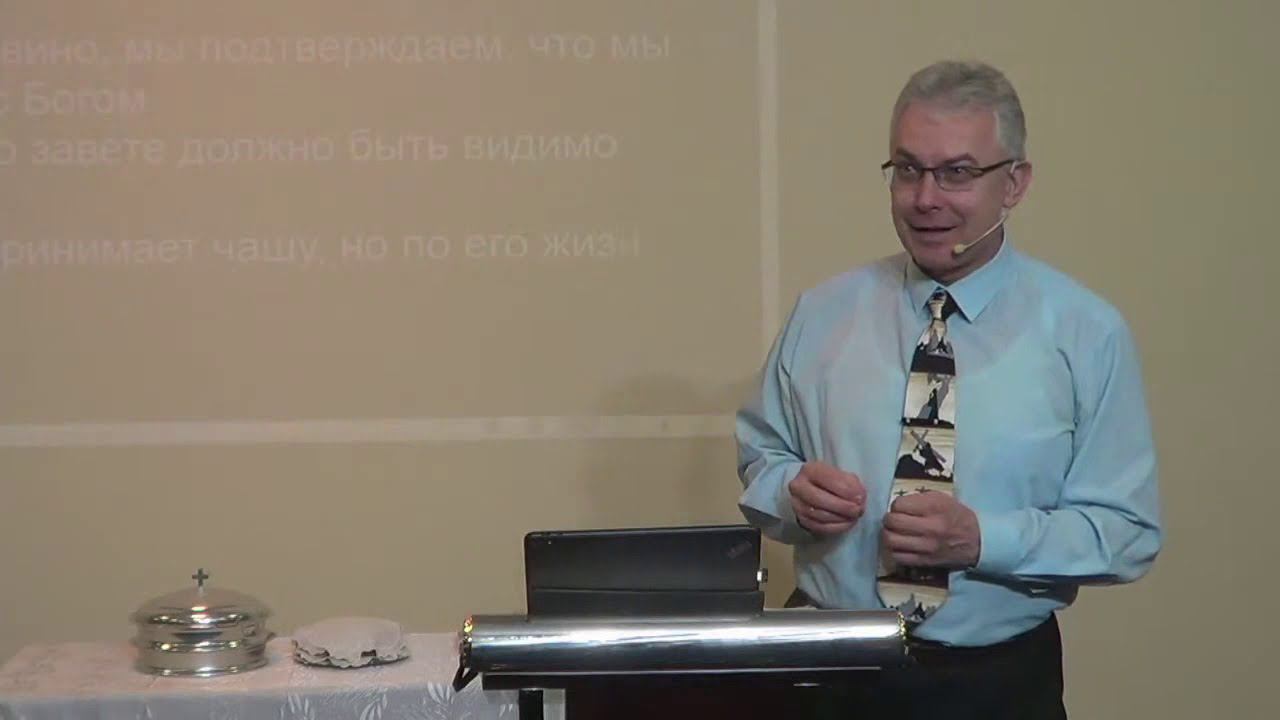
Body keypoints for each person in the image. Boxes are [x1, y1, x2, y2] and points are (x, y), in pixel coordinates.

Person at [735, 60, 1162, 718]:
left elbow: (1125, 531)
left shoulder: (1085, 333)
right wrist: (791, 494)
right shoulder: (822, 315)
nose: (925, 198)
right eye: (908, 170)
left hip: (996, 683)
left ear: (1014, 183)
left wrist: (983, 540)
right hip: (829, 669)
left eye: (956, 172)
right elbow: (763, 459)